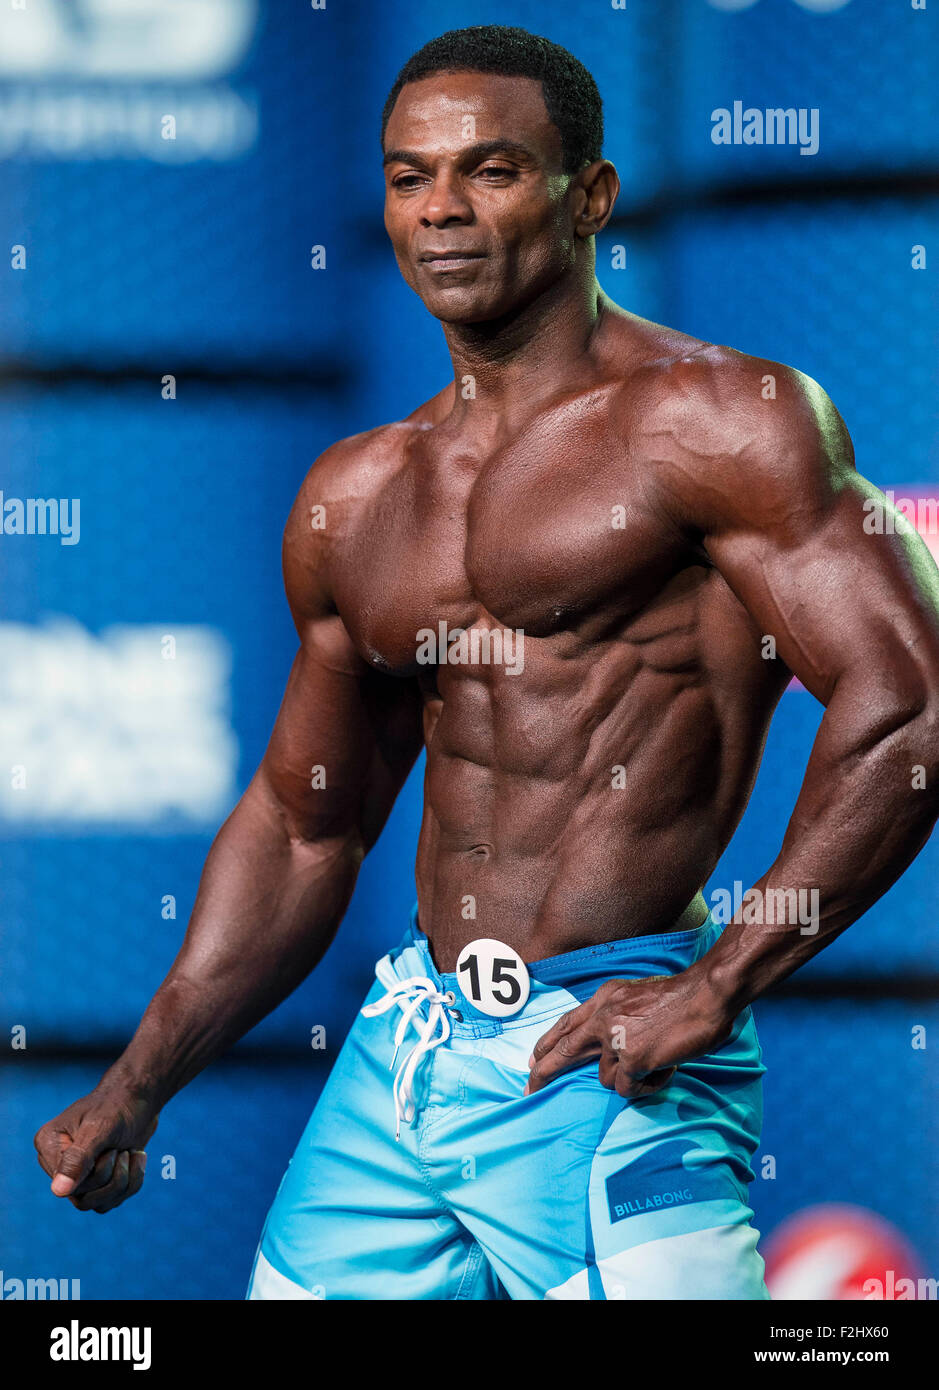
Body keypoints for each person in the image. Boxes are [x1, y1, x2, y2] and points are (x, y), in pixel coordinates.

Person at [34, 25, 939, 1300]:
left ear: (592, 199)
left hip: (602, 1053)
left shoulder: (720, 422)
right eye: (409, 178)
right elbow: (309, 829)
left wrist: (723, 980)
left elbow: (911, 706)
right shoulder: (359, 493)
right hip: (412, 1049)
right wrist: (142, 1079)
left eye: (493, 170)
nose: (442, 210)